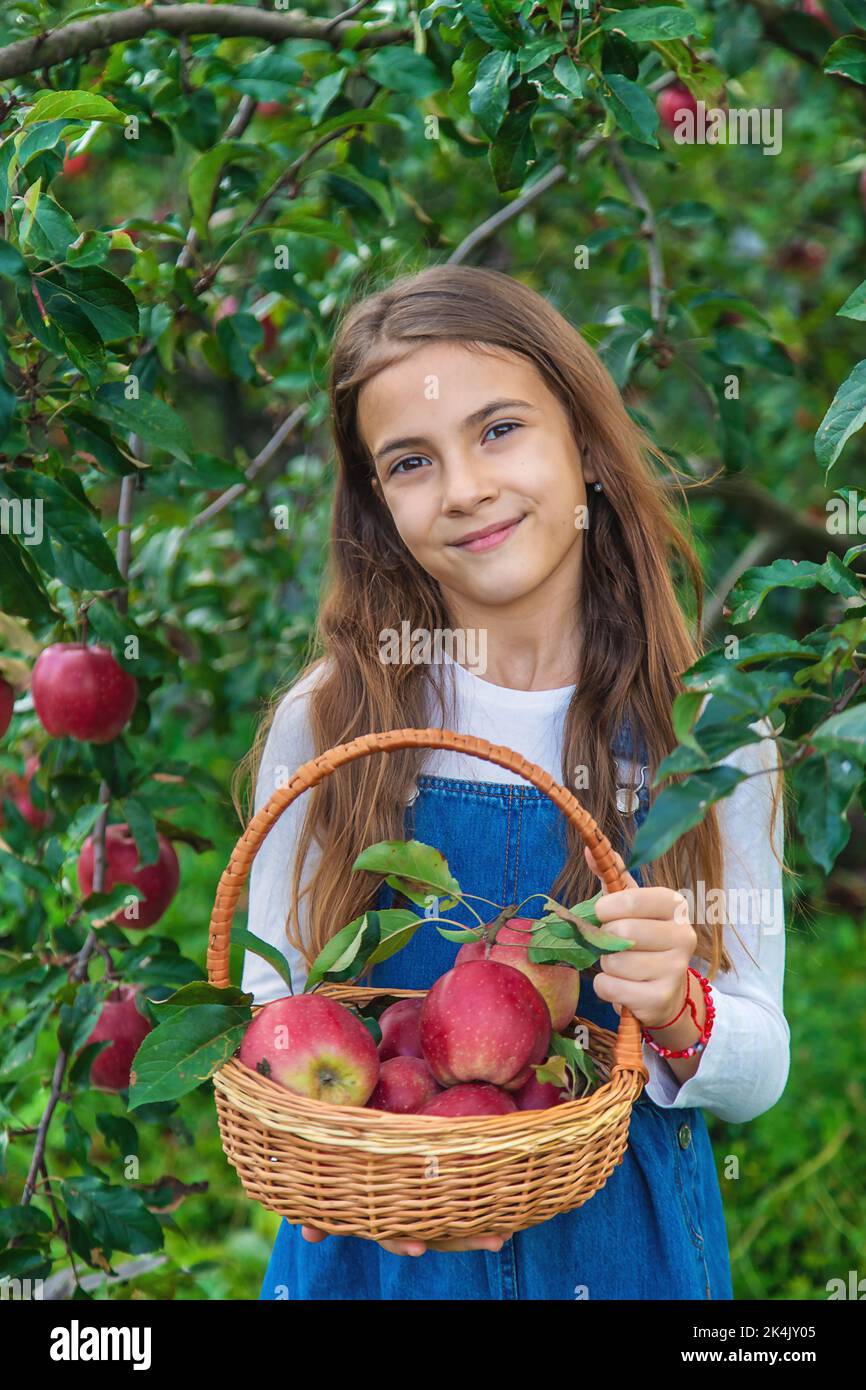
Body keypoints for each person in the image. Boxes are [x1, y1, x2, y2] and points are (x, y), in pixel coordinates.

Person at [234, 264, 790, 1300]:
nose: (464, 489)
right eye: (408, 462)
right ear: (376, 504)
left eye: (498, 430)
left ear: (580, 442)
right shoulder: (333, 720)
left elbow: (758, 1069)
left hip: (617, 1252)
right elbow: (274, 1006)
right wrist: (346, 1160)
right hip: (383, 1249)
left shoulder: (706, 730)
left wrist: (676, 1007)